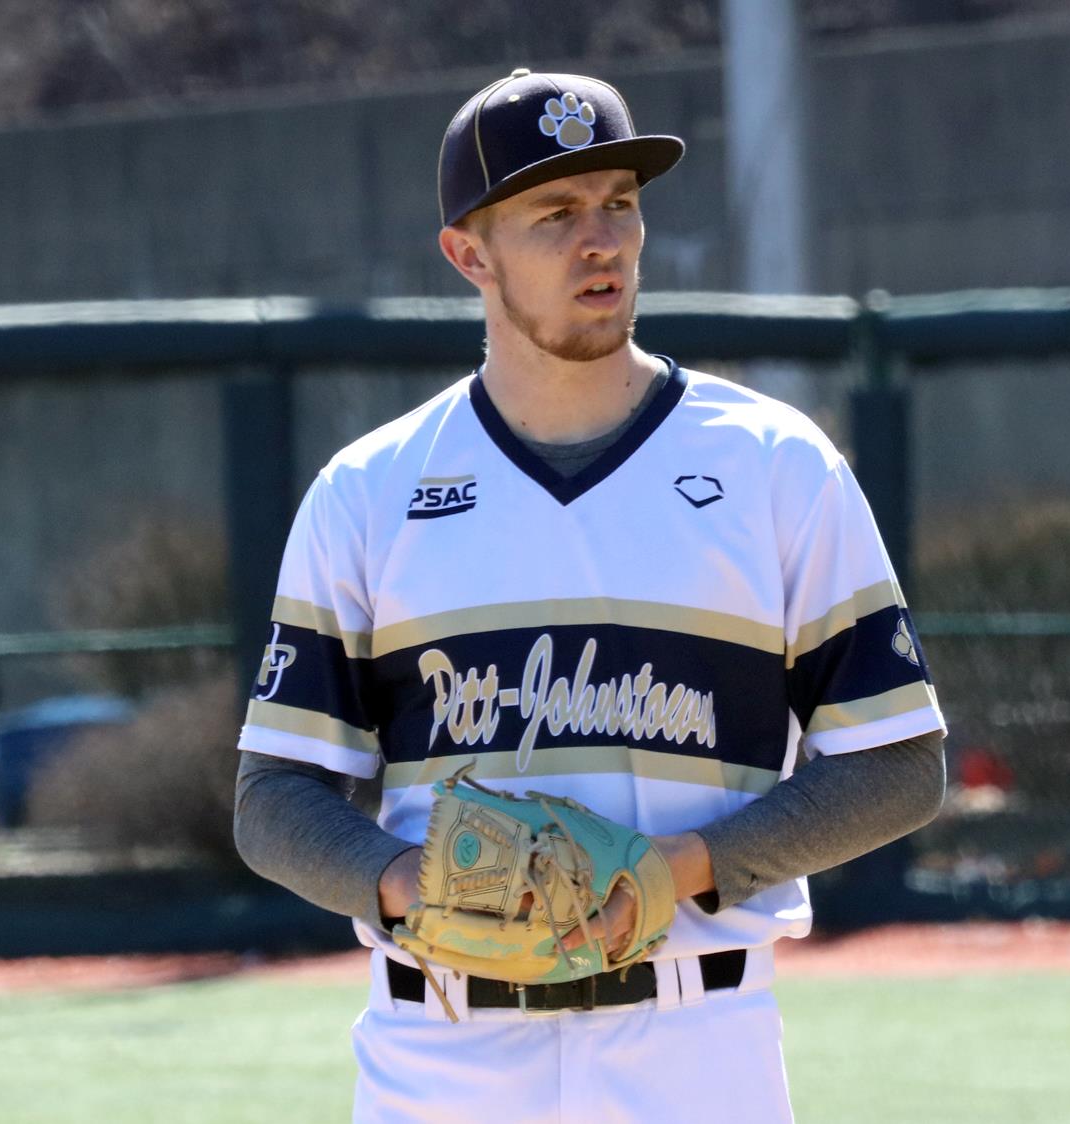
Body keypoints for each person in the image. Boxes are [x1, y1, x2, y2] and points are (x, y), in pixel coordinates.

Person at [233, 68, 948, 1122]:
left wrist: (687, 866)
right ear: (469, 254)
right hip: (445, 1052)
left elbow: (899, 764)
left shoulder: (772, 463)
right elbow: (273, 797)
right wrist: (405, 881)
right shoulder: (369, 491)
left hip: (694, 1045)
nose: (600, 240)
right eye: (555, 214)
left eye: (619, 202)